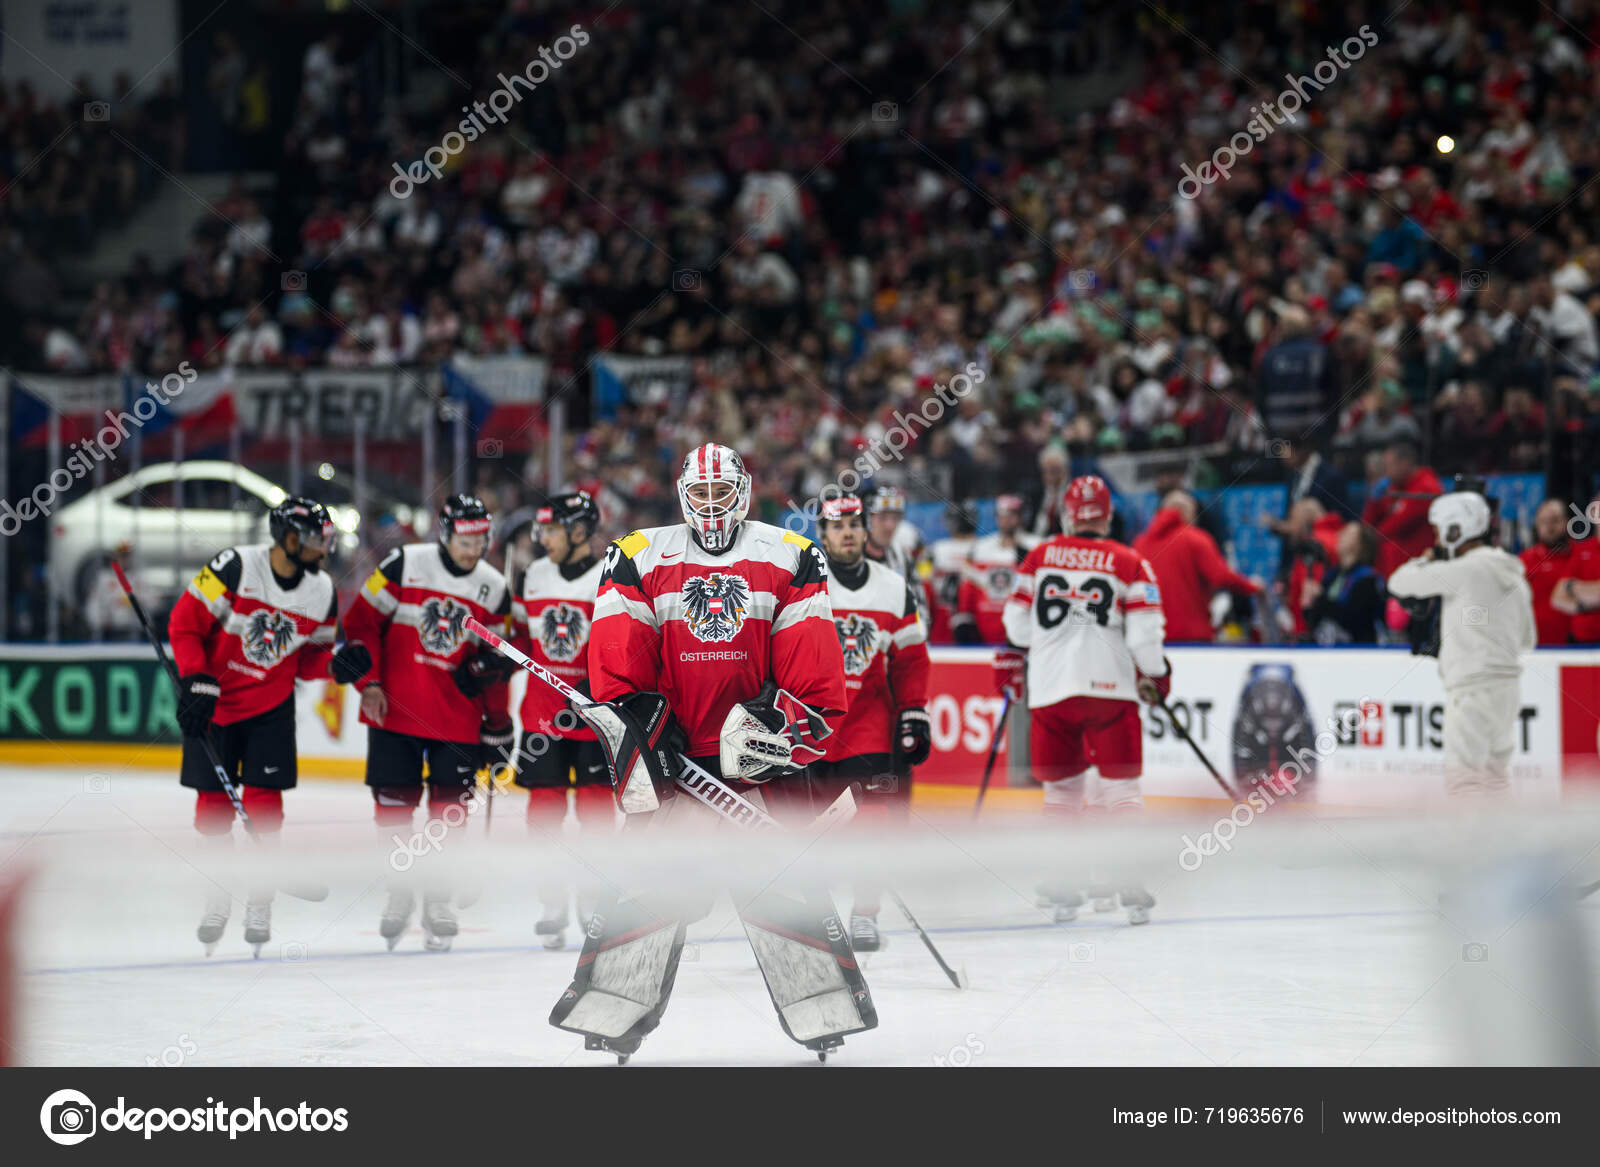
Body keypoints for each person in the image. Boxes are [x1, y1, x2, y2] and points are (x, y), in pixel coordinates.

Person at [554, 442, 863, 1061]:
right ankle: (612, 1010)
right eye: (702, 494)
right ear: (683, 496)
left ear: (745, 492)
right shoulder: (640, 553)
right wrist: (645, 732)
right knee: (647, 886)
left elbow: (815, 674)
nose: (714, 506)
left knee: (785, 886)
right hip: (676, 767)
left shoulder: (792, 554)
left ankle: (822, 1007)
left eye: (724, 494)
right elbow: (618, 663)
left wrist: (773, 731)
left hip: (755, 766)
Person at [168, 497, 371, 955]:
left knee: (264, 809)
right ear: (291, 538)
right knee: (213, 810)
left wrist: (338, 665)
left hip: (269, 708)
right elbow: (183, 624)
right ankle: (217, 894)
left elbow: (307, 660)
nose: (327, 547)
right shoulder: (236, 566)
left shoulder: (321, 590)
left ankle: (260, 900)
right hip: (215, 705)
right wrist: (197, 680)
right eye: (319, 538)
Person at [343, 494, 513, 951]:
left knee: (447, 816)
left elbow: (498, 662)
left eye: (481, 539)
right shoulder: (403, 564)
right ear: (445, 532)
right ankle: (399, 892)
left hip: (457, 721)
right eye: (465, 539)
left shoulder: (494, 587)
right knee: (394, 810)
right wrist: (369, 683)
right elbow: (359, 625)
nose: (473, 548)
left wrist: (498, 721)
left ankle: (438, 898)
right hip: (394, 712)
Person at [999, 475, 1169, 925]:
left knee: (1061, 793)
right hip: (1110, 691)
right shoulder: (1130, 561)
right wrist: (1158, 675)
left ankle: (1062, 885)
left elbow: (1015, 627)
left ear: (1068, 515)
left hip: (1052, 691)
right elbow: (1145, 636)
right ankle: (1128, 880)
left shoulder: (1039, 556)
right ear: (1109, 516)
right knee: (1121, 790)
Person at [808, 493, 930, 951]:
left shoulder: (894, 587)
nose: (847, 533)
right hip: (813, 723)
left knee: (873, 819)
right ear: (822, 534)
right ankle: (815, 915)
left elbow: (911, 658)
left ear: (865, 530)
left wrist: (914, 711)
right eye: (837, 526)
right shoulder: (805, 585)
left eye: (854, 525)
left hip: (868, 722)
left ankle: (865, 913)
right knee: (809, 827)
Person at [506, 490, 611, 949]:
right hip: (543, 717)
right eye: (543, 529)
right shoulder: (532, 575)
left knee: (596, 813)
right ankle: (551, 899)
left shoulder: (611, 574)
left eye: (551, 530)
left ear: (579, 532)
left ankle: (592, 897)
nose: (543, 538)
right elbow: (525, 643)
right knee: (544, 814)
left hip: (596, 719)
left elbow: (624, 645)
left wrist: (601, 684)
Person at [1386, 491, 1536, 797]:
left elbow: (1398, 582)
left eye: (1440, 532)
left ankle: (1467, 842)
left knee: (1464, 780)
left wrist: (1425, 559)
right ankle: (1500, 841)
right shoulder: (1515, 576)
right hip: (1508, 691)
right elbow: (1527, 640)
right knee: (1496, 778)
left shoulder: (1463, 570)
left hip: (1471, 690)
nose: (1438, 540)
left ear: (1457, 529)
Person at [1131, 490, 1260, 643]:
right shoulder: (1196, 538)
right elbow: (1220, 576)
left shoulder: (1138, 544)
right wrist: (1252, 586)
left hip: (1151, 637)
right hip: (1192, 635)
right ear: (1187, 511)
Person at [954, 493, 1038, 644]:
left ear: (1021, 517)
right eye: (1002, 515)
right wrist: (965, 619)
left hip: (1021, 630)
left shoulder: (1035, 546)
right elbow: (968, 586)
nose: (1006, 520)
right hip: (985, 628)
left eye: (1011, 515)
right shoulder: (980, 548)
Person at [1520, 499, 1600, 645]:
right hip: (1538, 647)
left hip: (1578, 644)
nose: (1549, 527)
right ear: (1537, 525)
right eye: (1543, 522)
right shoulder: (1525, 561)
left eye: (1555, 520)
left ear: (1567, 521)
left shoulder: (1582, 553)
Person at [1361, 439, 1443, 577]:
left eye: (1388, 466)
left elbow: (1389, 529)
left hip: (1415, 570)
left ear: (1404, 463)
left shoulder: (1426, 488)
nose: (1386, 473)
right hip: (1391, 568)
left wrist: (1368, 538)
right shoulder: (1394, 487)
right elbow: (1366, 527)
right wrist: (1373, 501)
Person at [1301, 523, 1385, 644]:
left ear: (1360, 545)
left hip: (1357, 651)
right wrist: (1309, 605)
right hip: (1328, 646)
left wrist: (1321, 598)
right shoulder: (1333, 575)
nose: (1340, 534)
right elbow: (1316, 621)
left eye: (1347, 533)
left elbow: (1355, 620)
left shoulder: (1368, 580)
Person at [926, 501, 978, 644]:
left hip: (973, 616)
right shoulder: (937, 549)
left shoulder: (983, 548)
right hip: (943, 614)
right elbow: (924, 584)